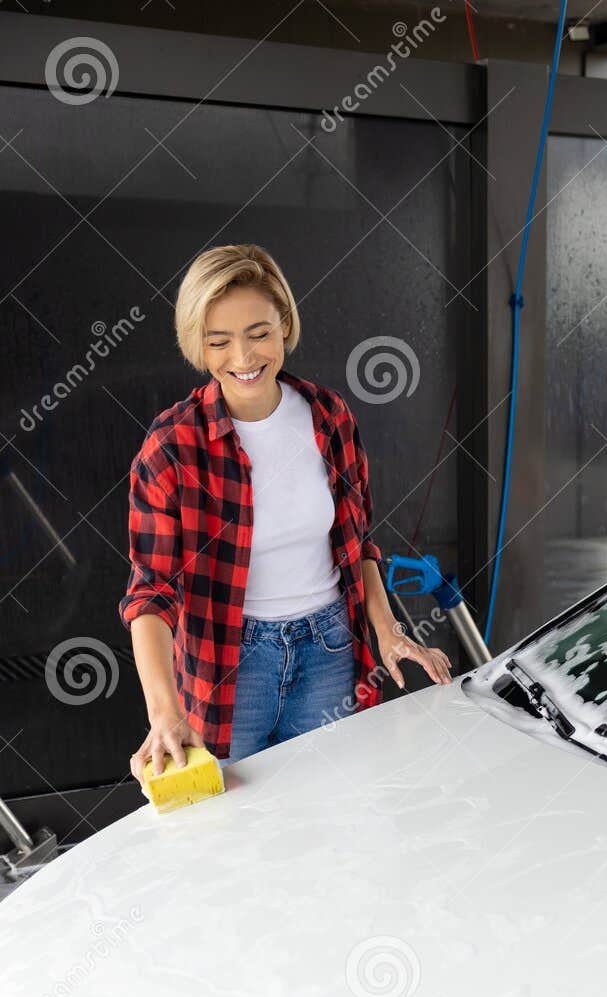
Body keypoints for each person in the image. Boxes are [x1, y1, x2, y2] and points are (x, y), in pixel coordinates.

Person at [123, 242, 450, 779]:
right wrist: (165, 712)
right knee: (238, 832)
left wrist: (387, 631)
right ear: (197, 345)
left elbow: (357, 544)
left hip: (330, 649)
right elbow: (150, 593)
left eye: (259, 333)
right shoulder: (172, 446)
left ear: (284, 326)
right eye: (219, 341)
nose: (244, 358)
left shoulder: (328, 416)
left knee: (334, 814)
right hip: (231, 666)